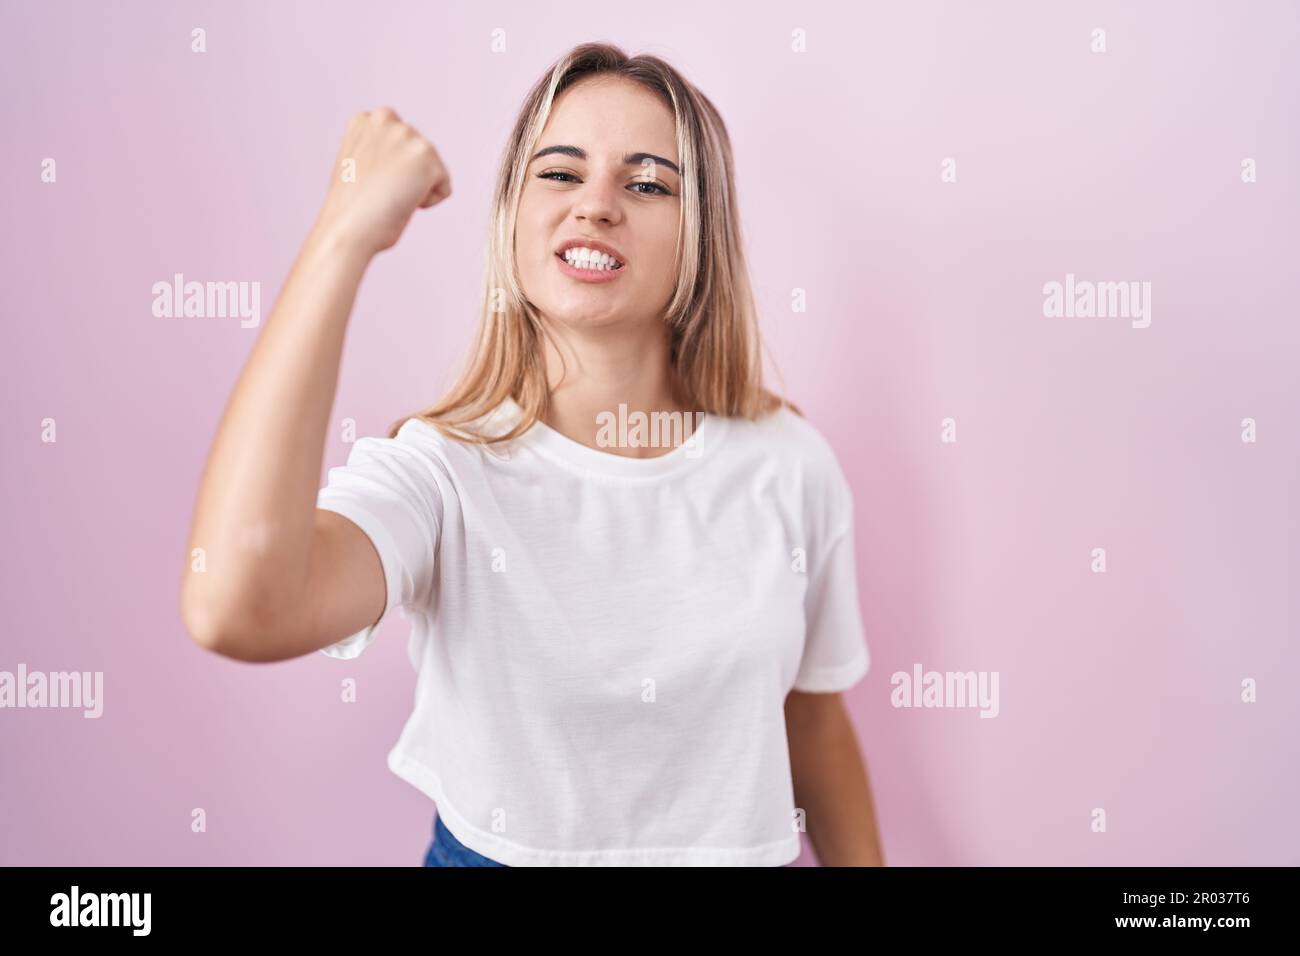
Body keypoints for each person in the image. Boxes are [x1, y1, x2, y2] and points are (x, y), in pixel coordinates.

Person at [181, 41, 885, 867]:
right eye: (559, 173)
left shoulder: (789, 465)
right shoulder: (441, 472)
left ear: (703, 237)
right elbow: (237, 605)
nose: (595, 205)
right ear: (512, 214)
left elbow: (813, 721)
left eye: (648, 182)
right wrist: (344, 235)